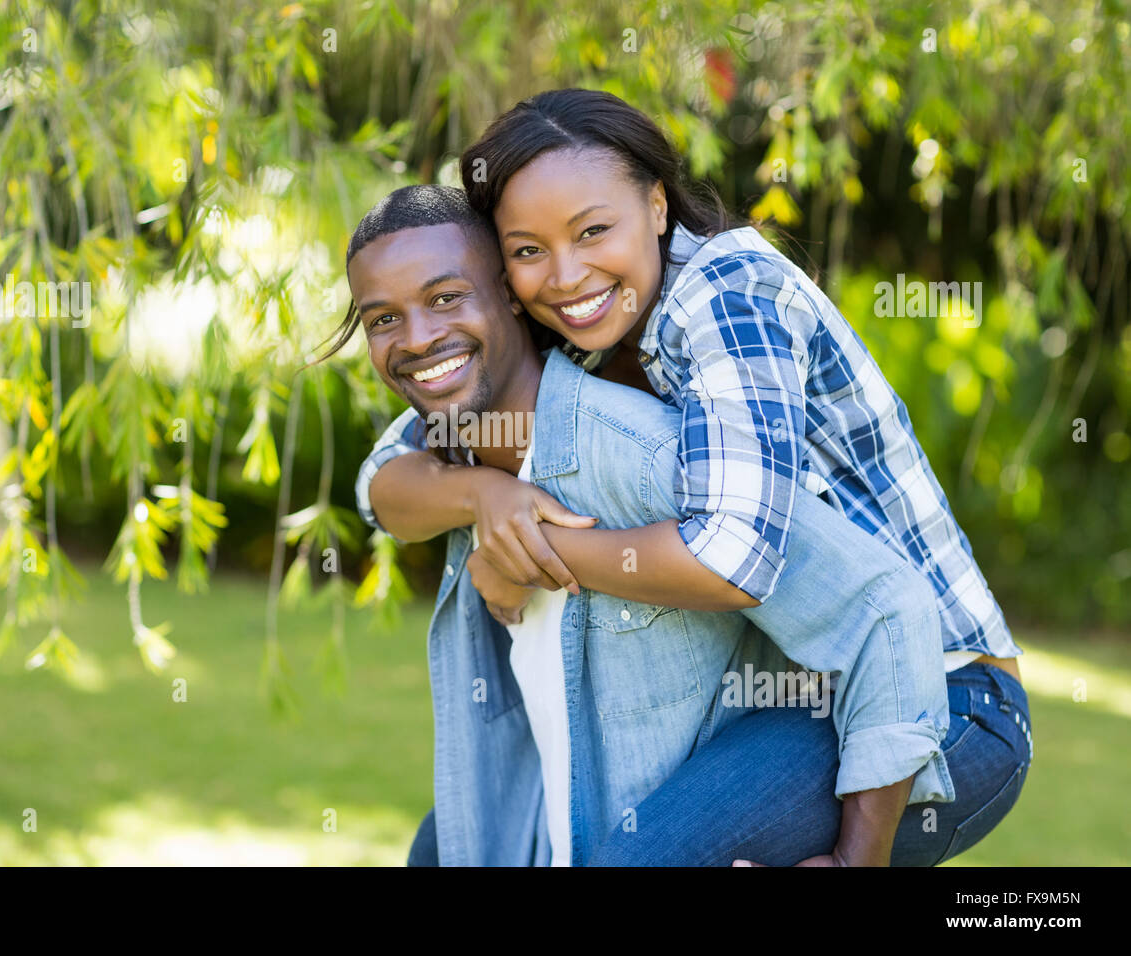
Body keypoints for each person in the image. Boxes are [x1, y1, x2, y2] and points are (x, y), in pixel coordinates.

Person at [342, 87, 1034, 864]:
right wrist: (484, 495)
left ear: (658, 205)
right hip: (799, 688)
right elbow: (390, 472)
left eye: (594, 230)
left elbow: (735, 556)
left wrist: (522, 548)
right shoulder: (568, 323)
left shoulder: (725, 293)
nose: (566, 275)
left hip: (943, 689)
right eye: (528, 249)